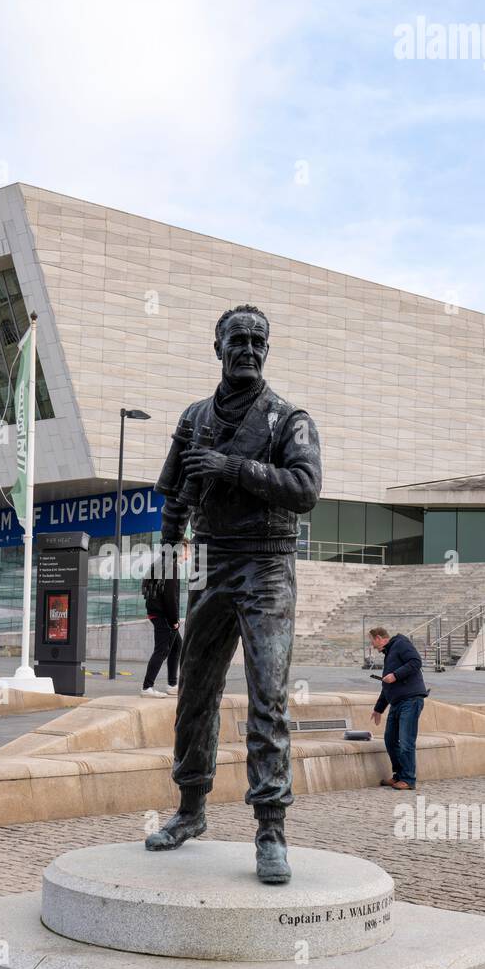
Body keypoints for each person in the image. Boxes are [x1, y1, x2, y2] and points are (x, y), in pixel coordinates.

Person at [142, 303, 322, 884]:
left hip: (267, 567)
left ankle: (271, 828)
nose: (248, 350)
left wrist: (235, 467)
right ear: (217, 347)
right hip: (212, 564)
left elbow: (305, 488)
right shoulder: (194, 416)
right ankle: (190, 809)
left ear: (267, 351)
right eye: (238, 340)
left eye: (257, 342)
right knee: (195, 692)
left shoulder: (287, 418)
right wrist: (165, 561)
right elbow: (174, 502)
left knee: (268, 696)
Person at [369, 627, 429, 791]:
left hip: (410, 701)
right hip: (397, 702)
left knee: (406, 741)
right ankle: (399, 775)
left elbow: (416, 662)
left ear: (380, 638)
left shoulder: (401, 643)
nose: (373, 646)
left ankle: (408, 779)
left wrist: (395, 675)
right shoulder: (390, 654)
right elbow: (386, 685)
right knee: (390, 739)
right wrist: (378, 709)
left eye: (372, 641)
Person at [140, 543, 187, 698]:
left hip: (156, 612)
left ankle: (172, 684)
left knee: (176, 646)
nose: (189, 555)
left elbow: (146, 586)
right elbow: (170, 596)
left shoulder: (159, 564)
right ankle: (147, 687)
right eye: (188, 551)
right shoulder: (172, 567)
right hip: (164, 615)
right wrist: (174, 619)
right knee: (162, 650)